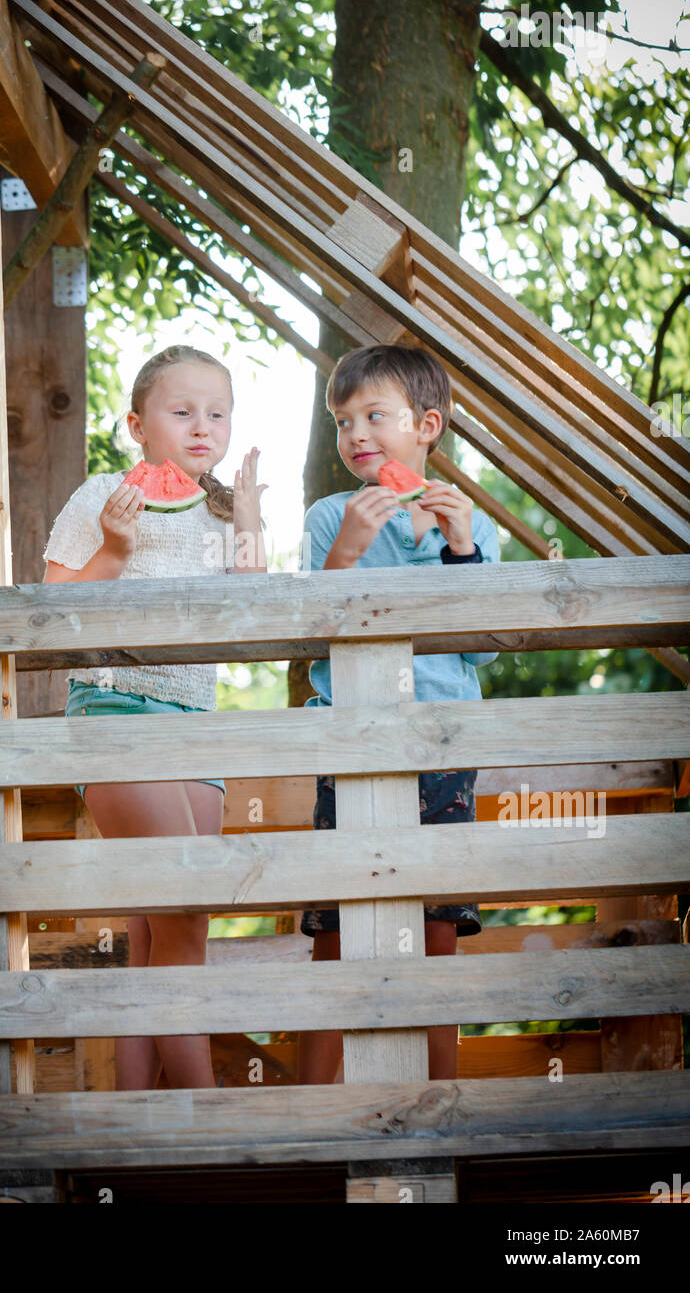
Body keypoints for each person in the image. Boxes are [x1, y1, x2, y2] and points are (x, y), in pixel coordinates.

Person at [42, 344, 267, 1090]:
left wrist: (253, 515)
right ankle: (207, 1121)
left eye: (217, 411)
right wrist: (114, 548)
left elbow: (252, 610)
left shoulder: (224, 509)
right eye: (182, 411)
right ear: (138, 425)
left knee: (153, 930)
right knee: (188, 917)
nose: (203, 425)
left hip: (194, 727)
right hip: (114, 707)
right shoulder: (105, 493)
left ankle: (136, 1121)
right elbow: (51, 601)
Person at [296, 343, 501, 1086]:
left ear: (426, 426)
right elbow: (315, 633)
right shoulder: (329, 517)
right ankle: (315, 1112)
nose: (356, 435)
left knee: (436, 935)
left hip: (442, 747)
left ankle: (434, 1105)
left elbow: (481, 656)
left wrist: (462, 548)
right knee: (338, 932)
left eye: (373, 416)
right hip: (349, 743)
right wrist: (348, 549)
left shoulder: (472, 527)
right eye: (343, 421)